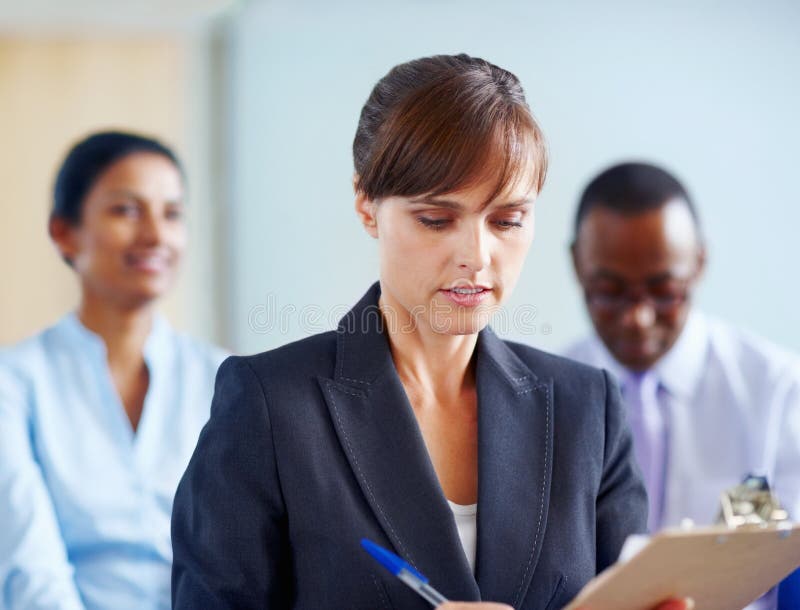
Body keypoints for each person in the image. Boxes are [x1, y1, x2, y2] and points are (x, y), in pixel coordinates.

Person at [171, 55, 687, 610]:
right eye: (436, 220)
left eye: (507, 220)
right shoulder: (269, 405)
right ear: (367, 205)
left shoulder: (588, 409)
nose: (477, 256)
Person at [0, 131, 227, 610]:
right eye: (125, 210)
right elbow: (29, 567)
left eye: (172, 213)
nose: (155, 236)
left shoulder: (227, 379)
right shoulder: (14, 383)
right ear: (64, 231)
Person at [565, 161, 800, 609]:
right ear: (578, 265)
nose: (638, 317)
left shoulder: (778, 391)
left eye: (665, 291)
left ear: (699, 264)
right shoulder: (541, 394)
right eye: (609, 291)